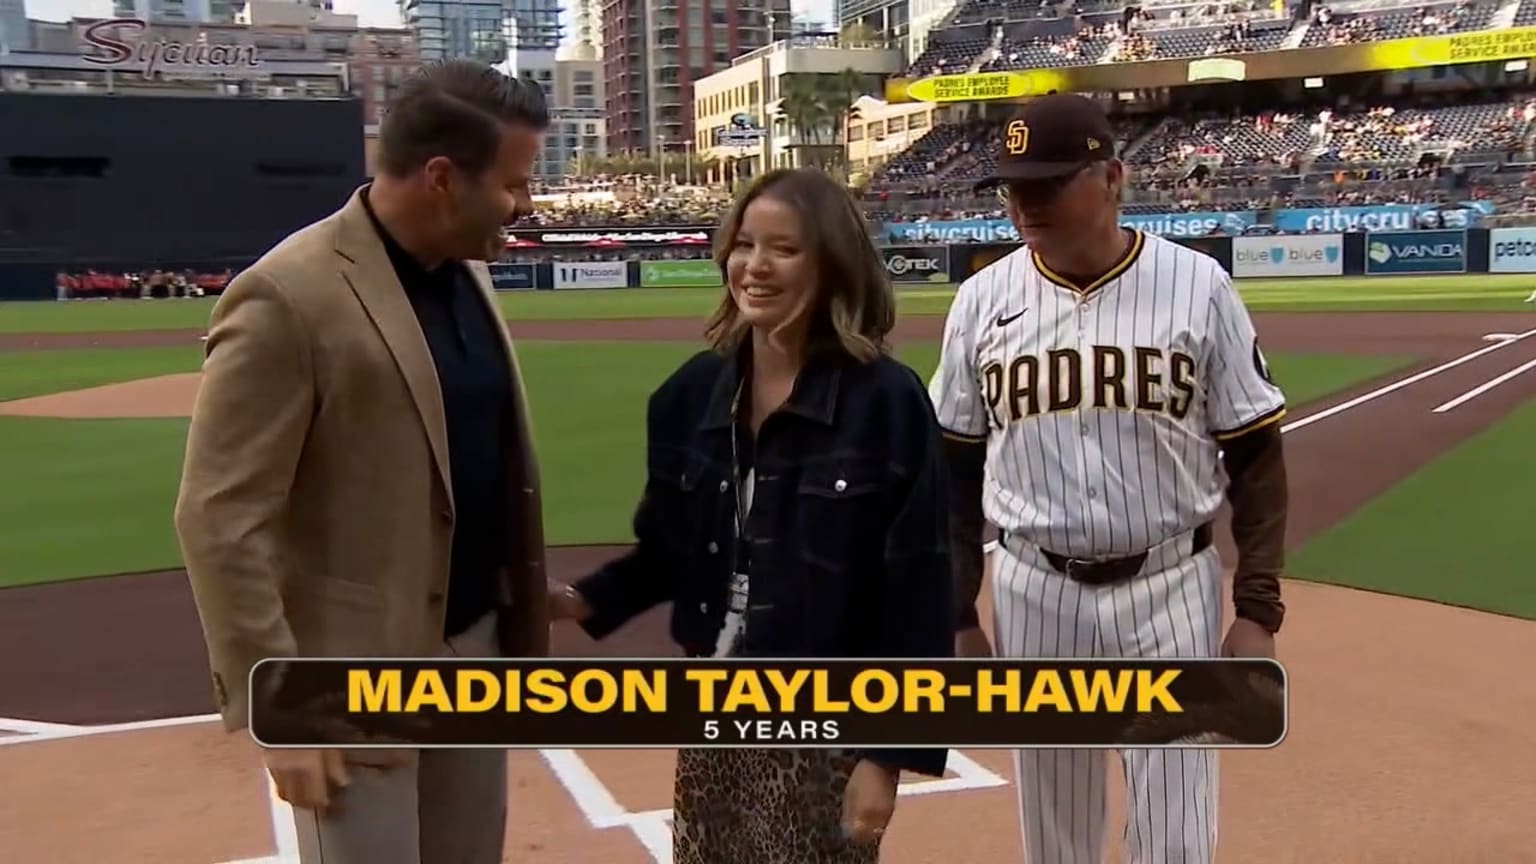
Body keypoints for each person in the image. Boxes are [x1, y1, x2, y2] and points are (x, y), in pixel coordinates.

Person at [172, 59, 551, 864]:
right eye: (514, 184)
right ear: (443, 177)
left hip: (473, 654)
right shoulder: (287, 295)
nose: (526, 205)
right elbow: (219, 516)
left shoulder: (467, 274)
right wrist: (278, 705)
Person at [547, 167, 955, 863]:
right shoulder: (689, 395)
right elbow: (668, 551)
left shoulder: (885, 400)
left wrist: (887, 756)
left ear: (831, 263)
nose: (755, 267)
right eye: (743, 244)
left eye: (784, 250)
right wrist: (577, 600)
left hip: (826, 716)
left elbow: (916, 589)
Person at [929, 93, 1289, 863]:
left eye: (1049, 183)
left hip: (1170, 586)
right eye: (1014, 187)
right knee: (1055, 829)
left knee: (1176, 832)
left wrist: (1258, 604)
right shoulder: (979, 302)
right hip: (1034, 588)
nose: (1026, 204)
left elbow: (1255, 452)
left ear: (1114, 177)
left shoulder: (1199, 287)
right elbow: (952, 471)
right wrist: (957, 609)